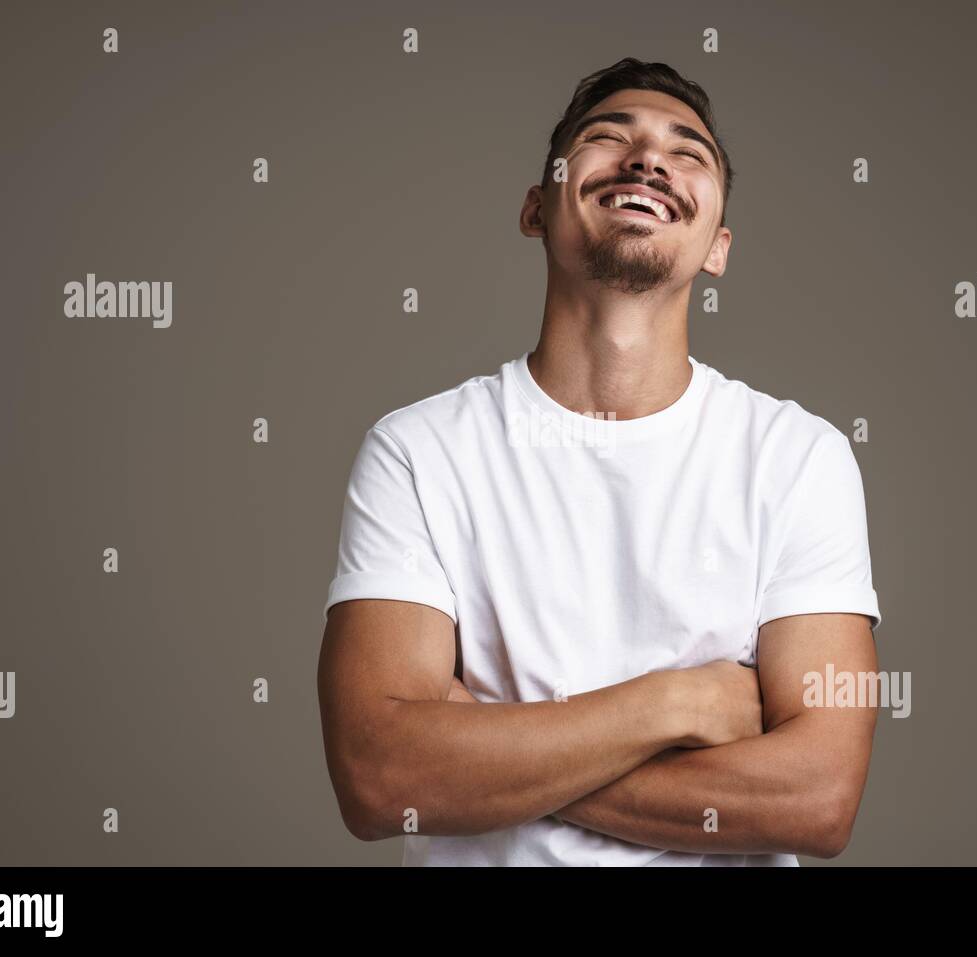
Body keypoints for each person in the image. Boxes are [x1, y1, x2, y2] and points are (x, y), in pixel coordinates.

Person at [317, 57, 883, 866]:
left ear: (718, 247)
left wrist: (481, 739)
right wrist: (676, 702)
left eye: (688, 152)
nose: (648, 159)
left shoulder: (799, 459)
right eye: (607, 137)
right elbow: (380, 777)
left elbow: (818, 796)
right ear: (535, 208)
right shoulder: (418, 451)